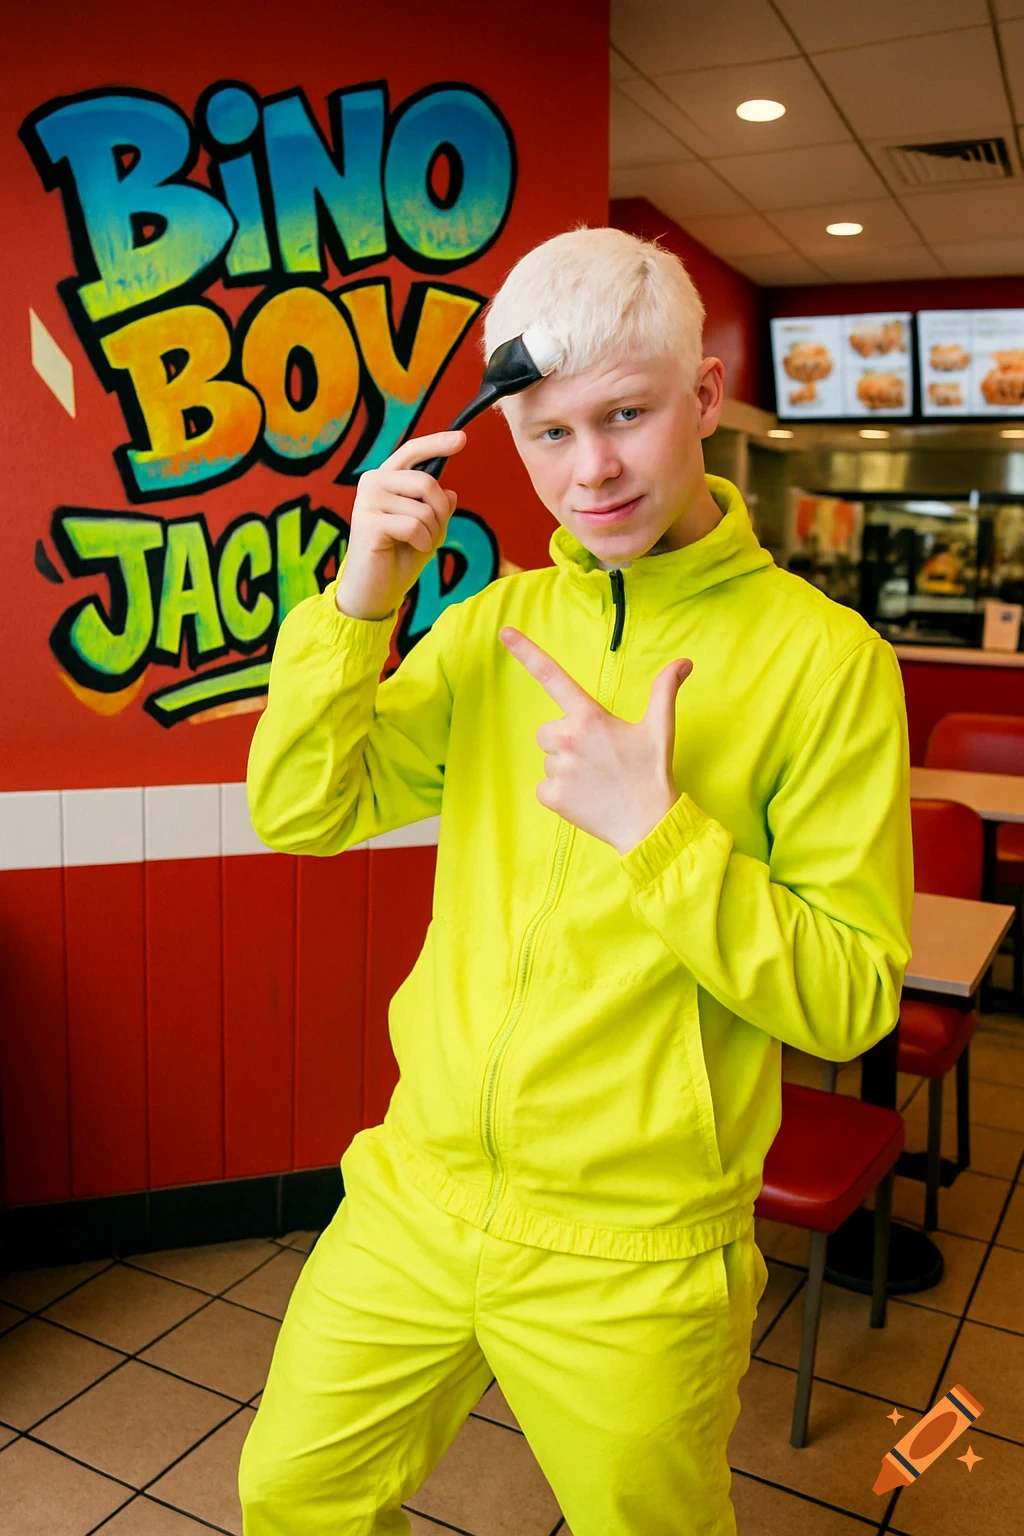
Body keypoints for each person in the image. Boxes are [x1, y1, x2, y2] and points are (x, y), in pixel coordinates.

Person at [240, 227, 913, 1535]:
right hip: (416, 1196)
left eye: (628, 415)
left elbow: (847, 1003)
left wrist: (654, 833)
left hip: (638, 1252)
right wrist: (360, 599)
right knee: (289, 1498)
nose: (590, 468)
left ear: (705, 398)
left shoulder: (827, 663)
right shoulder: (492, 626)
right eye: (548, 433)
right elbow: (303, 809)